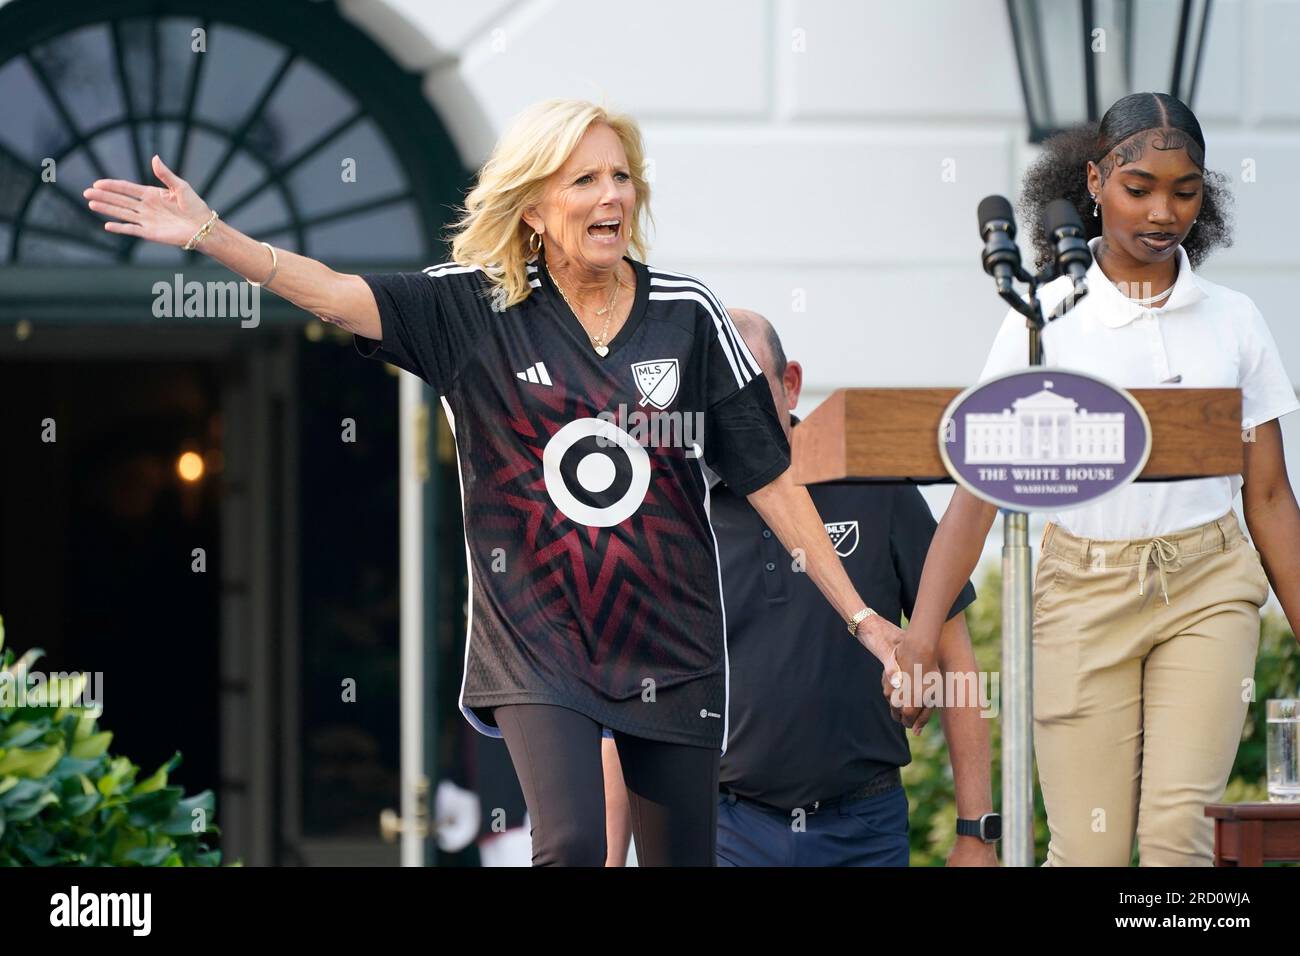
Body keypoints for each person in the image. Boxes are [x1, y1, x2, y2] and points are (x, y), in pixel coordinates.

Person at [84, 98, 907, 866]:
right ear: (535, 206)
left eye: (620, 176)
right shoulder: (471, 311)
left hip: (673, 644)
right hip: (537, 639)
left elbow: (770, 480)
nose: (610, 194)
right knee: (576, 842)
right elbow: (335, 296)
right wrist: (214, 236)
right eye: (583, 179)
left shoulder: (689, 314)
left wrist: (867, 620)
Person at [890, 92, 1300, 866]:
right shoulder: (1043, 318)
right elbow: (978, 493)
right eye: (1138, 188)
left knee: (1180, 840)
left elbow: (1271, 495)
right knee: (1091, 851)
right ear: (1093, 183)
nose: (1161, 211)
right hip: (1082, 588)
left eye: (1185, 191)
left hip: (1208, 580)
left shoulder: (1235, 320)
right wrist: (918, 638)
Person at [603, 310, 1000, 867]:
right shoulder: (674, 513)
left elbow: (956, 659)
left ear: (789, 385)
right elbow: (633, 705)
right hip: (725, 829)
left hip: (864, 827)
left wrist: (975, 831)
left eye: (744, 389)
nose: (728, 413)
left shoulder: (872, 483)